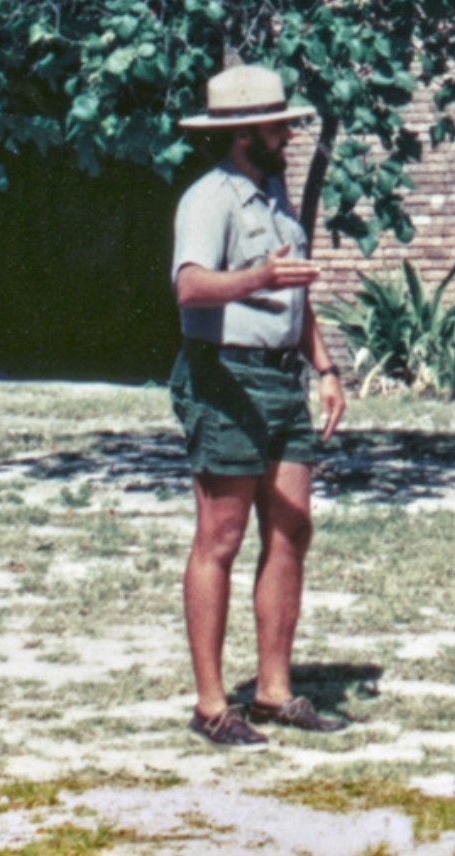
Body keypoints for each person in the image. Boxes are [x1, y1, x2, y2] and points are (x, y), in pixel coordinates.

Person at [170, 64, 349, 748]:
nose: (290, 134)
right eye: (280, 125)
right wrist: (258, 278)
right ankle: (213, 704)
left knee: (291, 529)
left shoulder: (273, 196)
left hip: (283, 380)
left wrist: (325, 368)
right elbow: (189, 289)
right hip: (225, 377)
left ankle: (274, 691)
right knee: (220, 537)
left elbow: (295, 296)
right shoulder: (209, 200)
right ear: (245, 132)